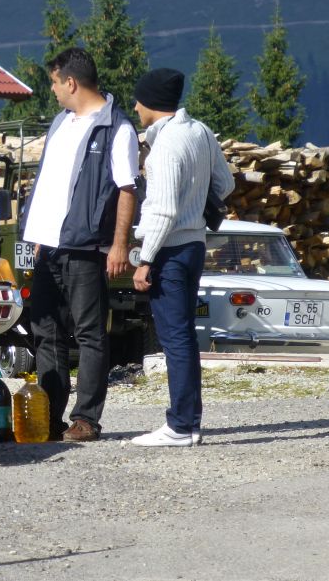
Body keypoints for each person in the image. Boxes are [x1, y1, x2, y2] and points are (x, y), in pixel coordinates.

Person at [21, 47, 139, 442]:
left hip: (86, 247)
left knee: (90, 333)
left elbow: (126, 189)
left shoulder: (116, 129)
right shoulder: (60, 122)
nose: (52, 90)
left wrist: (119, 245)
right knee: (44, 330)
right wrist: (38, 235)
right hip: (49, 245)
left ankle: (86, 419)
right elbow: (50, 185)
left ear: (70, 81)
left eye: (54, 82)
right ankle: (50, 417)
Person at [130, 67, 234, 447]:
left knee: (174, 338)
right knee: (184, 336)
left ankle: (179, 425)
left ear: (152, 103)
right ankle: (188, 423)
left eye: (139, 100)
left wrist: (145, 259)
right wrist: (198, 200)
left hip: (170, 249)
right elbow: (226, 183)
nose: (136, 107)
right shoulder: (201, 132)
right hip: (195, 246)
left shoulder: (165, 148)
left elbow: (163, 211)